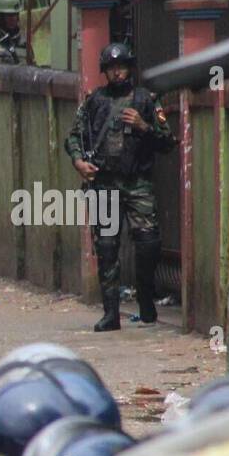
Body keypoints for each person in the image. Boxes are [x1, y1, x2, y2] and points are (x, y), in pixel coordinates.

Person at [64, 42, 175, 331]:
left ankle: (147, 300)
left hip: (138, 183)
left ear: (130, 68)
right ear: (105, 71)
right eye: (112, 68)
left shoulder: (146, 100)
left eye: (122, 67)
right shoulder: (94, 101)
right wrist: (79, 162)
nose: (117, 73)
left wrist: (143, 126)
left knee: (148, 244)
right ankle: (111, 313)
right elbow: (73, 137)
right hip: (104, 183)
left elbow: (168, 142)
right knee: (107, 247)